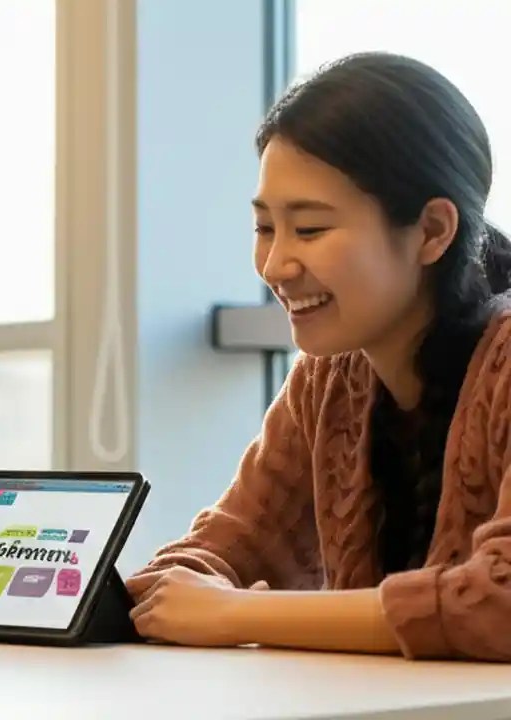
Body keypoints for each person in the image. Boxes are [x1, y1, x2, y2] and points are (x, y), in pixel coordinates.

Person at [126, 52, 511, 662]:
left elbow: (500, 603)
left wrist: (235, 613)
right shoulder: (329, 378)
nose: (276, 265)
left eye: (309, 230)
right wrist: (150, 594)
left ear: (434, 231)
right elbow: (228, 545)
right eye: (264, 228)